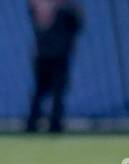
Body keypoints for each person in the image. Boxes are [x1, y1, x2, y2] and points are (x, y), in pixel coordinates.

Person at [26, 0, 83, 133]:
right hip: (49, 54)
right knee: (44, 91)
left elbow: (77, 24)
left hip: (55, 54)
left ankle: (52, 123)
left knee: (55, 91)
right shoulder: (62, 9)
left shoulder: (66, 10)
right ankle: (37, 122)